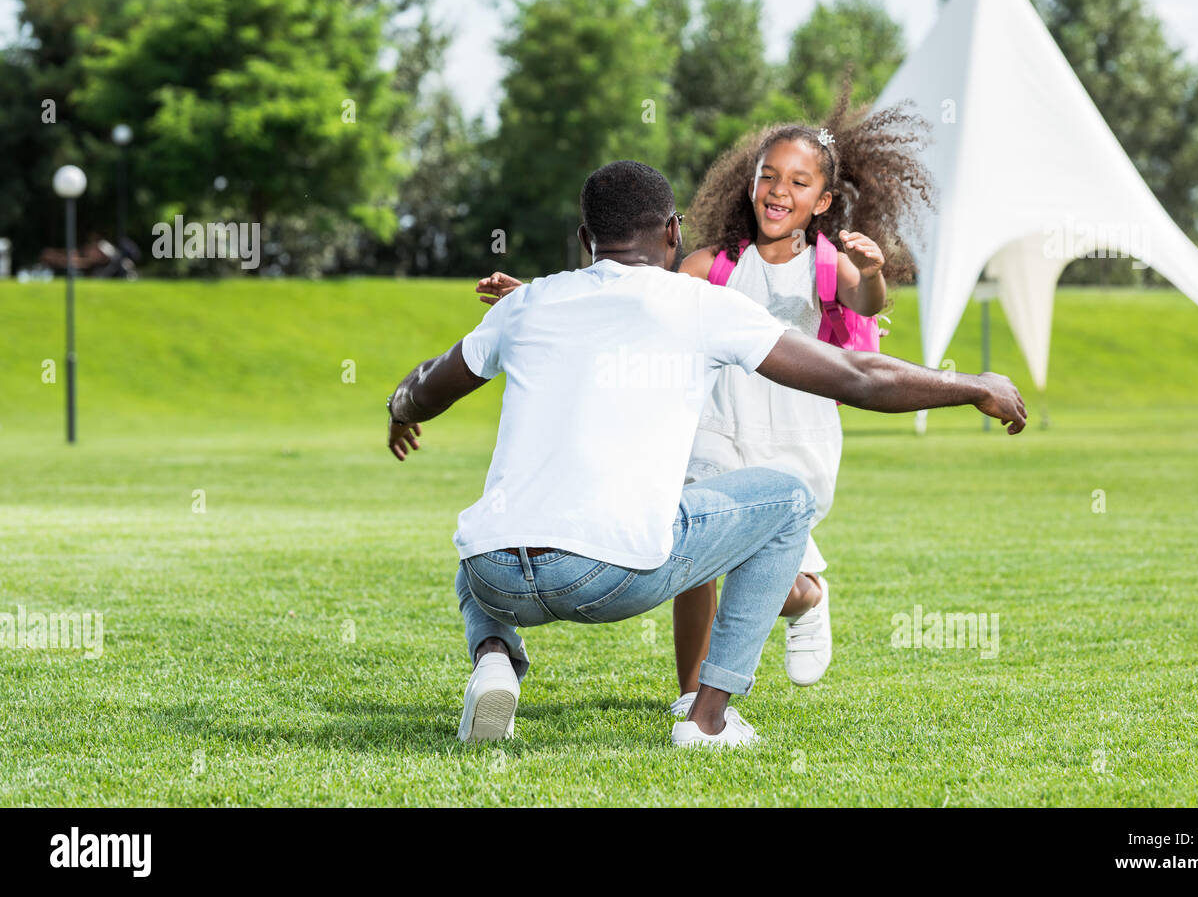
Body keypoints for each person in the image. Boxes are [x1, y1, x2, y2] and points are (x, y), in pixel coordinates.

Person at [387, 160, 1026, 748]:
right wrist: (973, 384)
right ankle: (709, 717)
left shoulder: (526, 302)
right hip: (605, 578)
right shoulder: (701, 306)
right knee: (787, 499)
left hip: (496, 578)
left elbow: (427, 386)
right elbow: (855, 375)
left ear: (586, 239)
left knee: (487, 528)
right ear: (672, 232)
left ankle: (494, 658)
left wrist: (398, 409)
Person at [478, 95, 935, 710]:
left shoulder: (828, 269)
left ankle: (808, 600)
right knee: (688, 555)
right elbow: (626, 290)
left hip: (795, 436)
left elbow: (867, 308)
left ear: (822, 202)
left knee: (784, 574)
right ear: (749, 183)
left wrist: (872, 270)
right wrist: (533, 294)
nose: (779, 191)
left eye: (798, 183)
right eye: (768, 176)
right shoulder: (712, 266)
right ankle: (693, 693)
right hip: (716, 424)